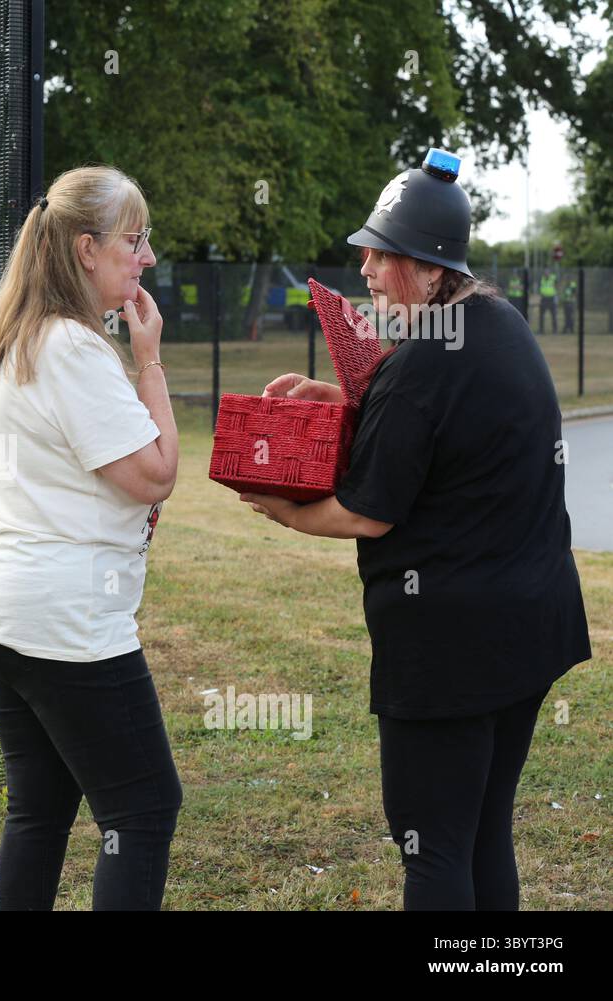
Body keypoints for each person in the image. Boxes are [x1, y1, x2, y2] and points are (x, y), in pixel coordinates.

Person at [241, 150, 590, 911]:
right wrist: (347, 396)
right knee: (482, 831)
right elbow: (439, 431)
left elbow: (369, 509)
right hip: (528, 629)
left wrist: (285, 510)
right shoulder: (495, 322)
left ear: (433, 269)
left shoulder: (426, 359)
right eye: (367, 248)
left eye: (385, 254)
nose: (365, 268)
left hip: (453, 648)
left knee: (432, 847)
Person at [0, 166, 182, 910]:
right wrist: (149, 360)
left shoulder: (19, 335)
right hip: (65, 622)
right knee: (142, 810)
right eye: (133, 241)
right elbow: (154, 473)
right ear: (87, 249)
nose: (146, 258)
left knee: (40, 808)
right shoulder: (74, 351)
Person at [538, 269, 558, 335]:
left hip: (551, 298)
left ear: (550, 273)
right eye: (545, 272)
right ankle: (541, 330)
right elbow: (540, 288)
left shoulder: (553, 278)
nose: (546, 273)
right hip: (544, 299)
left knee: (554, 315)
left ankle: (555, 330)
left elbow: (557, 286)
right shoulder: (542, 278)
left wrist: (556, 296)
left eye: (547, 272)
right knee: (541, 316)